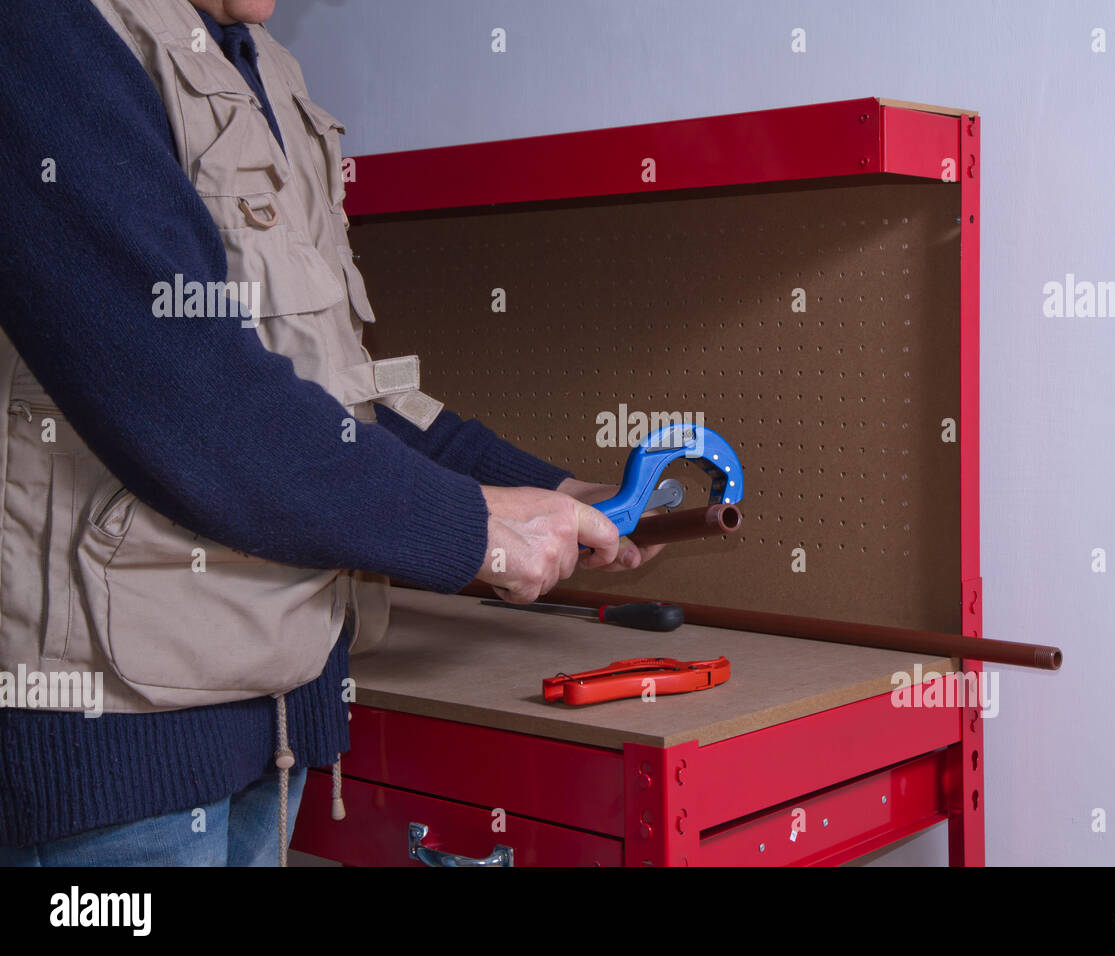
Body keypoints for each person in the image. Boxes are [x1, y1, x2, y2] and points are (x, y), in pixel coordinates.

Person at [0, 0, 661, 866]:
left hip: (276, 726)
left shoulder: (266, 69)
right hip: (114, 756)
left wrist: (548, 491)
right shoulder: (41, 30)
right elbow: (193, 399)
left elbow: (333, 394)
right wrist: (473, 531)